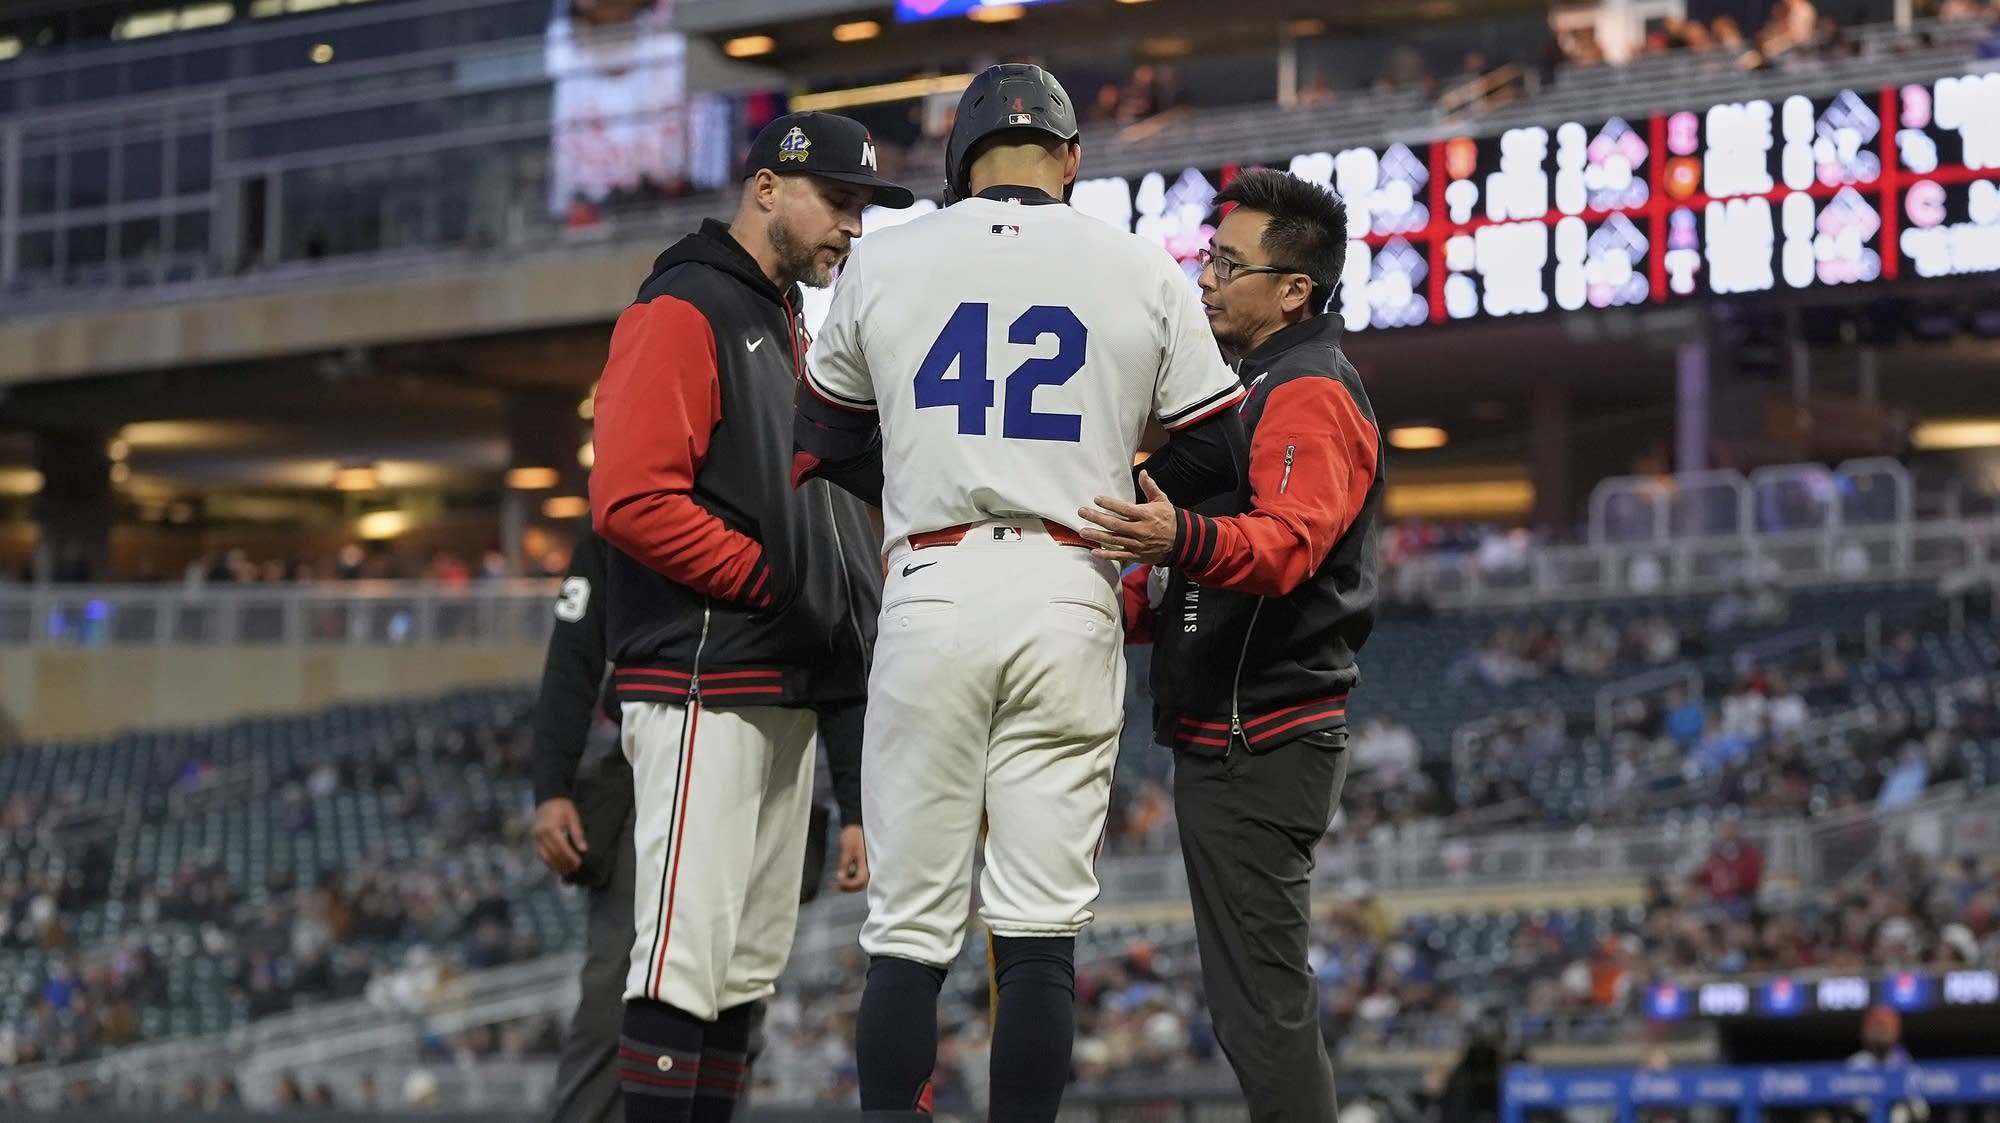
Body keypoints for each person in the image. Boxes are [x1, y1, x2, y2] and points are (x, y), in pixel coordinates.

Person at [793, 63, 1247, 1122]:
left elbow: (821, 439)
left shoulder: (886, 256)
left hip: (933, 576)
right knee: (1038, 930)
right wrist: (1124, 485)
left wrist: (920, 472)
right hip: (1068, 577)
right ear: (1070, 157)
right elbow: (1220, 451)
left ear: (959, 159)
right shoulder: (1138, 263)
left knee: (908, 932)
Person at [588, 110, 910, 1123]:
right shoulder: (685, 304)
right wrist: (772, 582)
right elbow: (631, 499)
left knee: (740, 971)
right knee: (682, 961)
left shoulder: (786, 322)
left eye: (862, 208)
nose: (852, 225)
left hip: (779, 681)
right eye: (838, 200)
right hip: (704, 679)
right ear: (767, 187)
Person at [1080, 169, 1383, 1121]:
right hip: (1237, 732)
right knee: (1252, 1003)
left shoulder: (1309, 388)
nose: (1205, 278)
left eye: (1227, 263)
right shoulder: (1254, 384)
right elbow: (1200, 573)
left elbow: (1287, 546)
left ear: (1294, 289)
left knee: (1261, 1009)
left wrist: (1176, 537)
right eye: (1209, 258)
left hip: (1265, 736)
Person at [528, 520, 868, 1123]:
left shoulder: (801, 491)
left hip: (775, 758)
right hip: (660, 761)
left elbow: (844, 645)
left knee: (738, 991)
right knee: (620, 998)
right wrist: (551, 784)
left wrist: (856, 803)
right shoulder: (636, 495)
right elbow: (574, 646)